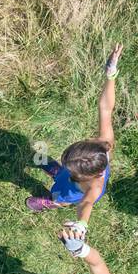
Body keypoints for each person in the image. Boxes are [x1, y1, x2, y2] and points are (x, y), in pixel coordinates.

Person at [26, 43, 124, 227]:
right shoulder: (104, 144)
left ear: (85, 177)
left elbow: (86, 204)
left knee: (60, 195)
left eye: (69, 168)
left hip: (70, 193)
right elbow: (106, 108)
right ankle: (58, 171)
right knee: (62, 173)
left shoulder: (94, 188)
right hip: (75, 174)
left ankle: (51, 203)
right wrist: (111, 75)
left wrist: (82, 225)